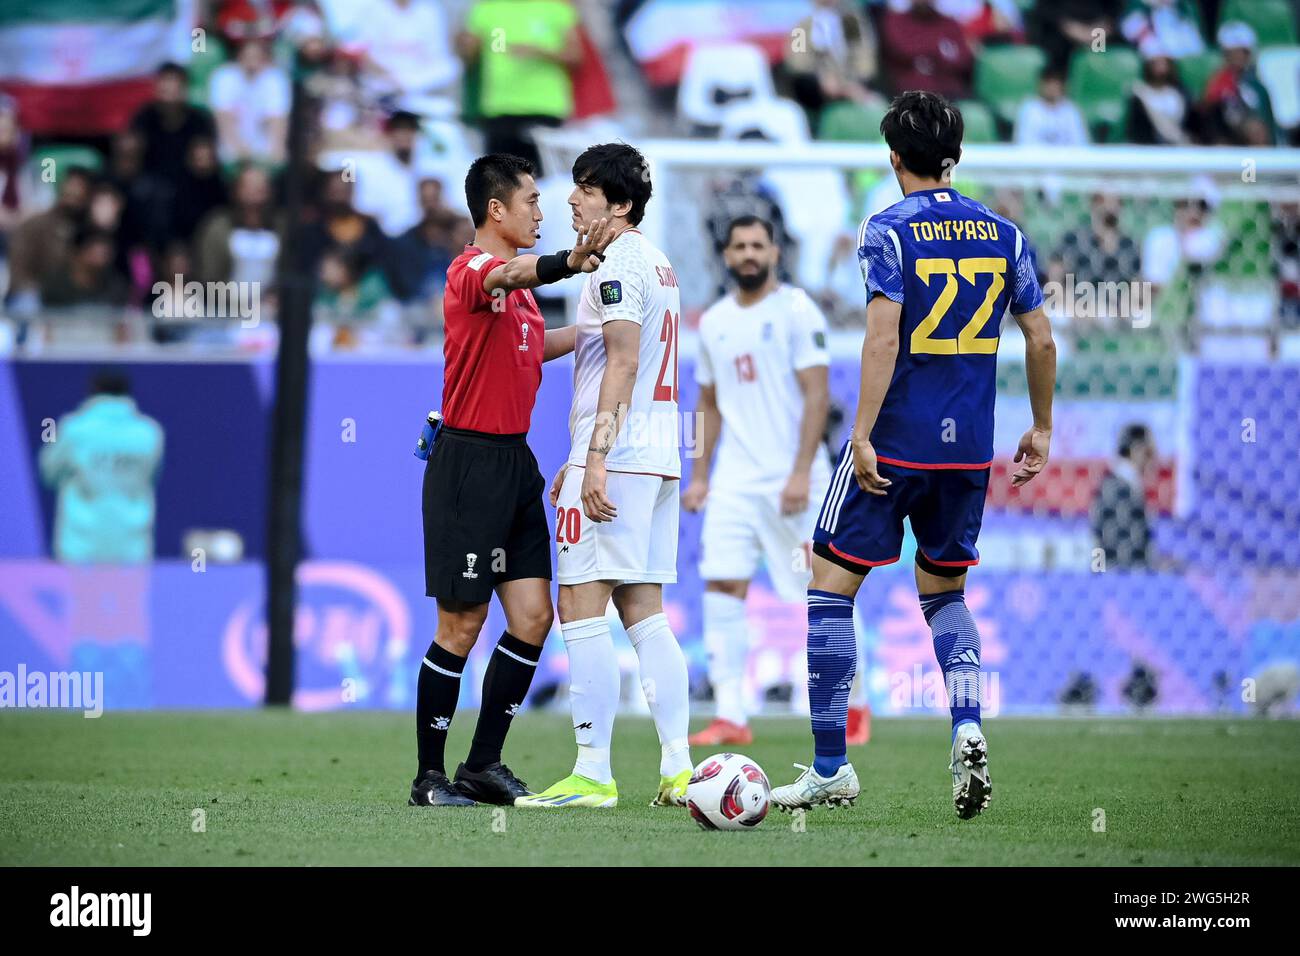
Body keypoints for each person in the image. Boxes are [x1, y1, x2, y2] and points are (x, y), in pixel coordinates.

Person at [770, 91, 1057, 820]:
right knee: (945, 596)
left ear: (893, 157)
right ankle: (966, 725)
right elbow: (1042, 339)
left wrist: (862, 435)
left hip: (895, 440)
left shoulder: (887, 230)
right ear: (954, 157)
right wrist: (1043, 429)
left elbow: (881, 339)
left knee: (830, 587)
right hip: (968, 452)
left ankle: (832, 767)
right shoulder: (1004, 232)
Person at [409, 153, 616, 807]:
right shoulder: (474, 272)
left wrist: (605, 329)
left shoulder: (519, 295)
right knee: (462, 624)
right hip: (468, 466)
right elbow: (510, 271)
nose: (541, 211)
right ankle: (428, 778)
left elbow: (535, 339)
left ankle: (482, 765)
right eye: (531, 200)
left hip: (515, 465)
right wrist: (568, 261)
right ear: (495, 209)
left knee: (531, 617)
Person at [515, 143, 691, 810]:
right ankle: (678, 767)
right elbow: (594, 343)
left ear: (620, 205)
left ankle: (592, 772)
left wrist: (592, 457)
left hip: (618, 457)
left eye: (586, 188)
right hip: (657, 452)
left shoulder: (616, 262)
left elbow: (620, 361)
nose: (570, 199)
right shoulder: (656, 261)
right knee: (644, 610)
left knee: (579, 606)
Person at [682, 215, 833, 747]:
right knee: (722, 583)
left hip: (797, 480)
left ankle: (851, 706)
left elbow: (819, 394)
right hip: (734, 482)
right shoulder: (715, 321)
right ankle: (730, 714)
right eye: (739, 245)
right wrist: (700, 476)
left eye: (757, 245)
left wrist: (798, 471)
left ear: (774, 252)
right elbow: (707, 404)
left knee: (824, 593)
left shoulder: (796, 309)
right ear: (726, 256)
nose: (748, 253)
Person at [39, 373, 164, 564]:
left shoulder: (74, 429)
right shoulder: (149, 432)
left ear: (93, 391)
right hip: (132, 546)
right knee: (129, 595)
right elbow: (152, 476)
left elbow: (48, 472)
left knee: (81, 595)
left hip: (81, 546)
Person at [1090, 423, 1154, 568]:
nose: (1152, 459)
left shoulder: (1124, 483)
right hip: (1119, 576)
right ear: (1136, 449)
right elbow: (1107, 539)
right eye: (1149, 452)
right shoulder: (1117, 487)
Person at [1013, 67, 1090, 147]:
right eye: (1048, 83)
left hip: (1065, 158)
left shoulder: (1071, 110)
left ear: (1062, 86)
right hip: (1035, 158)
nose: (1051, 87)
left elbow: (1080, 144)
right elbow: (1023, 143)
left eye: (1055, 83)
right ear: (1040, 84)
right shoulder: (1029, 109)